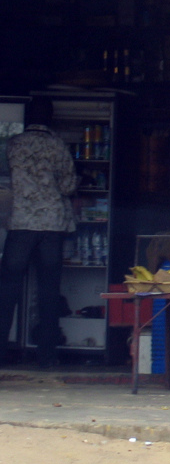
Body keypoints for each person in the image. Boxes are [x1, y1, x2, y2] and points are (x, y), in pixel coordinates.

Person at [0, 97, 77, 367]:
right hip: (51, 225)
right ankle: (47, 355)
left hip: (21, 222)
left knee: (7, 288)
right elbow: (68, 186)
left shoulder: (14, 144)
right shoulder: (58, 146)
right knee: (48, 290)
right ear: (51, 118)